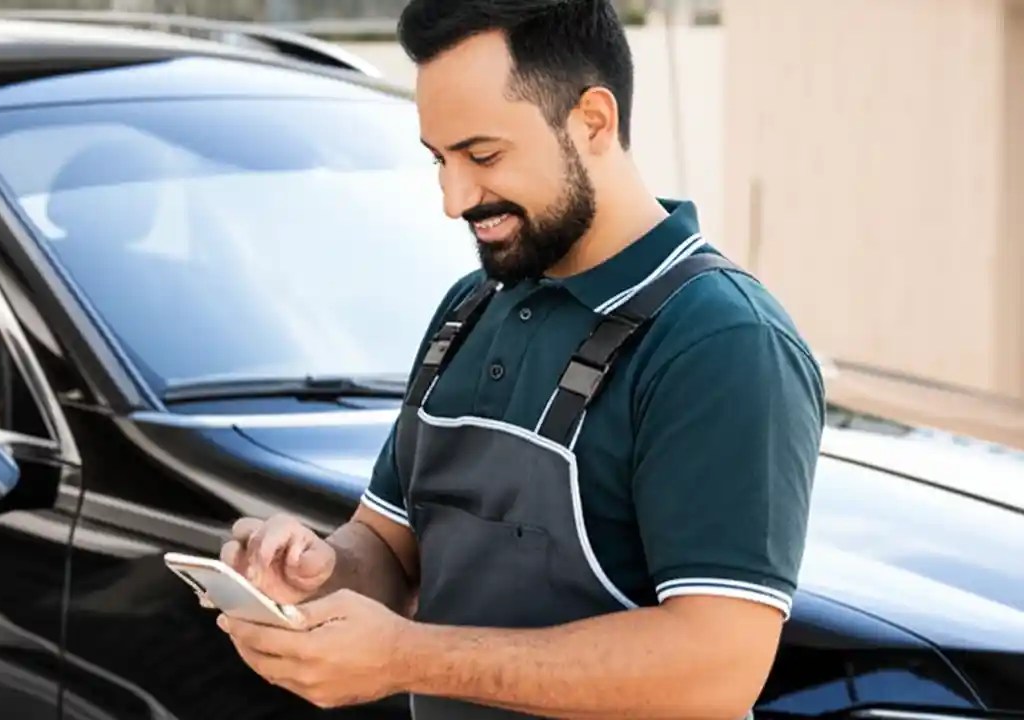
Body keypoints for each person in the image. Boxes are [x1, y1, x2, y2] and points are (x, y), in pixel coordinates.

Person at [215, 1, 826, 718]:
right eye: (440, 160)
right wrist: (316, 573)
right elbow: (390, 546)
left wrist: (406, 656)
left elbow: (718, 666)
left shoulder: (719, 341)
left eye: (482, 156)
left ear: (593, 121)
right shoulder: (468, 309)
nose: (454, 199)